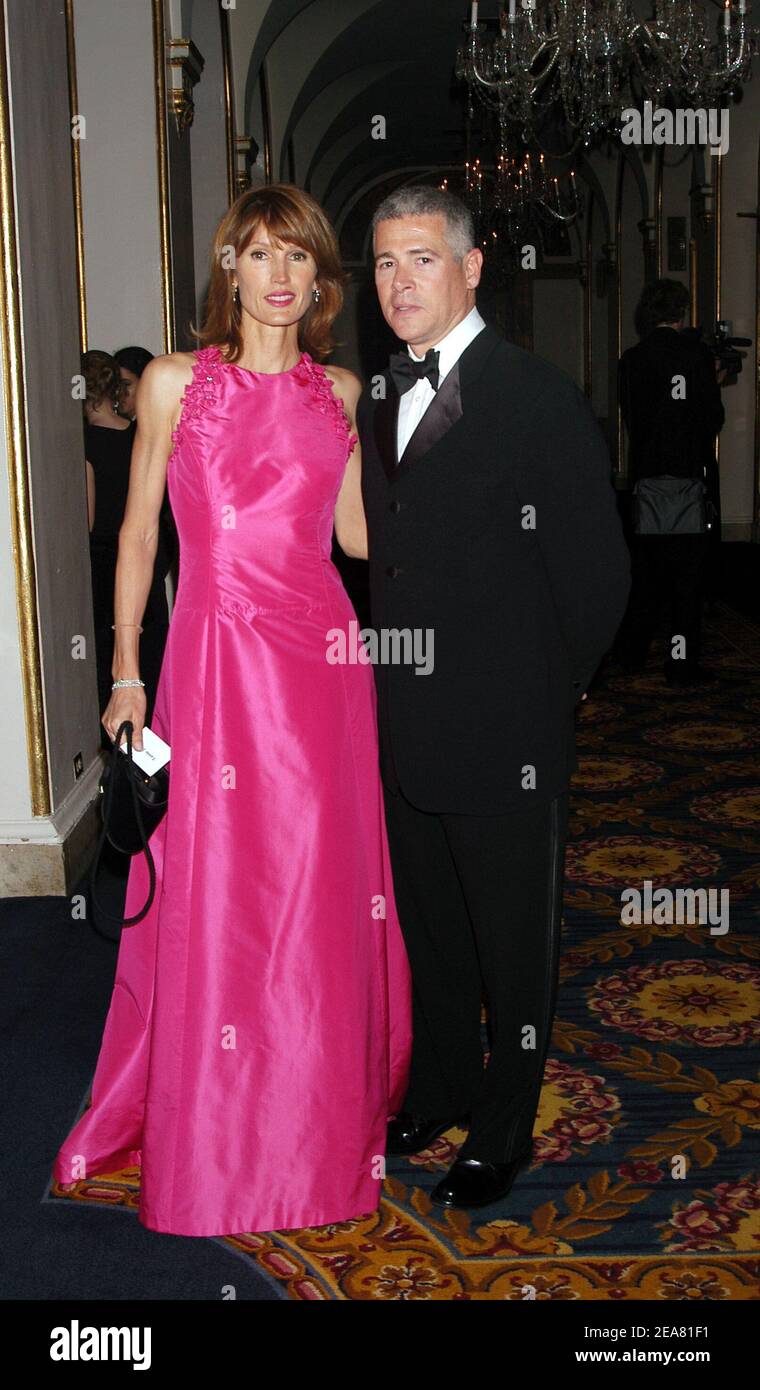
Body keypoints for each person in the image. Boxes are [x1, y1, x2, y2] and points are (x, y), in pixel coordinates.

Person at [54, 183, 412, 1237]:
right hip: (212, 660)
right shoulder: (173, 383)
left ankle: (312, 1113)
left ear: (320, 281)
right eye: (260, 255)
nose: (281, 276)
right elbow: (136, 541)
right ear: (230, 270)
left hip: (322, 666)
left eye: (299, 259)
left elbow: (355, 539)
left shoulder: (339, 390)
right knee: (220, 890)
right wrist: (124, 673)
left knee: (313, 885)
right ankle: (217, 1123)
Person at [357, 185, 630, 1210]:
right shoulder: (378, 395)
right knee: (431, 931)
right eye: (384, 262)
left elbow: (597, 576)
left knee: (513, 948)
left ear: (470, 269)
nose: (400, 281)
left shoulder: (536, 395)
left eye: (422, 259)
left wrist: (543, 694)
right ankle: (440, 1085)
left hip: (507, 728)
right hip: (404, 722)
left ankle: (503, 1126)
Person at [616, 278, 725, 685]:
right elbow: (711, 420)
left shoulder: (632, 358)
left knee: (645, 574)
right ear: (682, 312)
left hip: (647, 478)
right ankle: (680, 663)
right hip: (686, 481)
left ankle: (631, 652)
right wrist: (711, 382)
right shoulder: (696, 355)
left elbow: (635, 418)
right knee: (686, 581)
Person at [83, 350, 169, 750]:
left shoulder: (86, 444)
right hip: (147, 562)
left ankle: (126, 747)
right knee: (151, 650)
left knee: (110, 659)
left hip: (106, 564)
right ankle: (155, 743)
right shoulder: (140, 435)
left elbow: (88, 519)